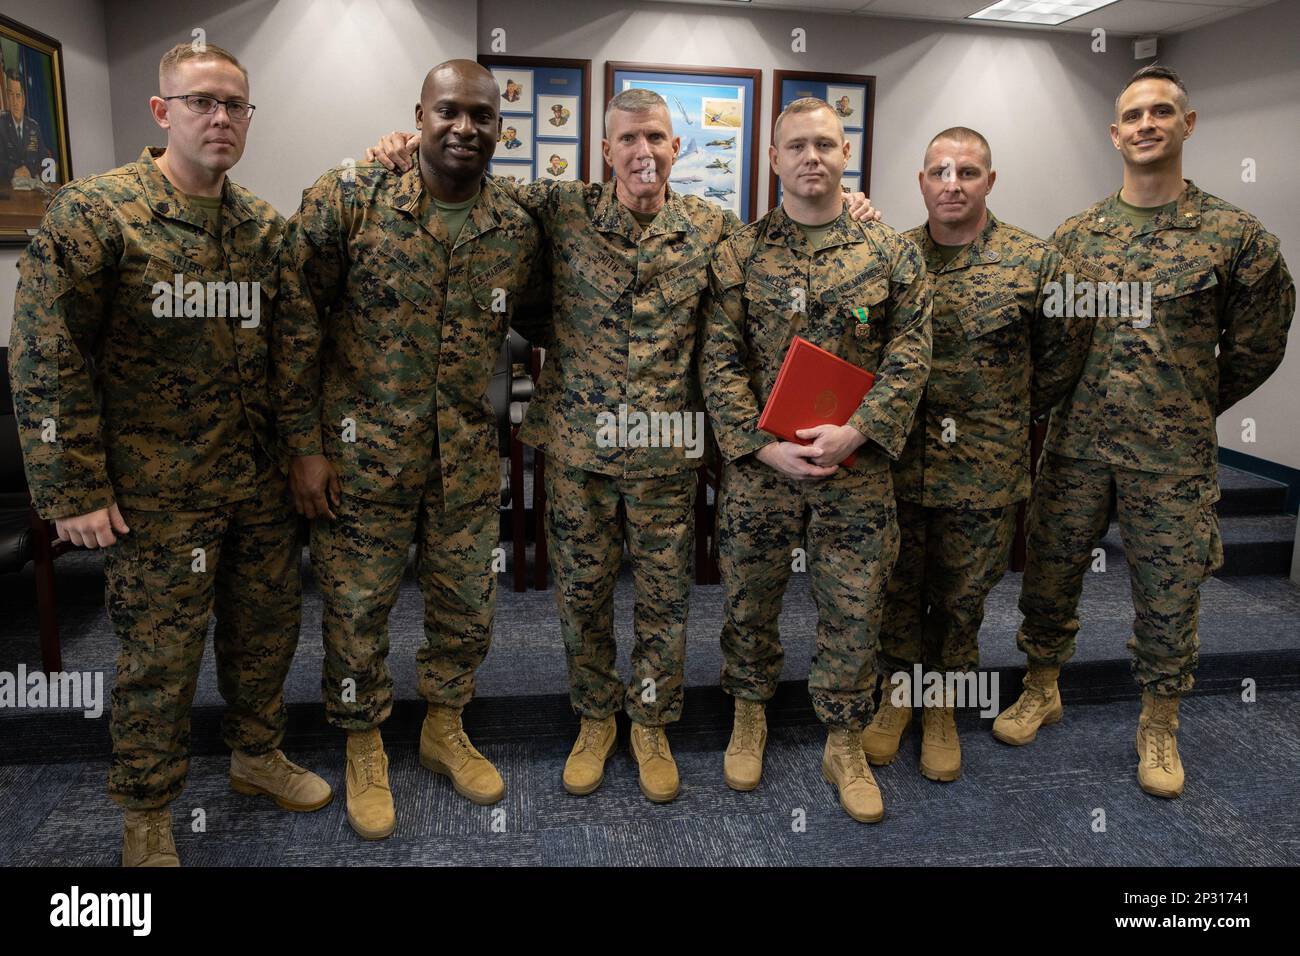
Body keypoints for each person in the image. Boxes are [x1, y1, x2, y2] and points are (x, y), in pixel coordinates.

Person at [364, 91, 880, 804]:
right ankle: (594, 718)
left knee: (665, 601)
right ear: (606, 151)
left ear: (678, 148)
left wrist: (854, 208)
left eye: (658, 138)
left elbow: (784, 252)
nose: (644, 151)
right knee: (582, 596)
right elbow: (466, 172)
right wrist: (399, 147)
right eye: (629, 139)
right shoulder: (559, 209)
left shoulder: (713, 229)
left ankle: (650, 720)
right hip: (579, 451)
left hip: (668, 453)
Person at [8, 42, 329, 867]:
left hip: (255, 482)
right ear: (163, 113)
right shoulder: (95, 214)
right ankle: (147, 810)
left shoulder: (261, 228)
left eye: (234, 106)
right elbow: (46, 356)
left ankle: (257, 756)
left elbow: (293, 351)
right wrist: (71, 486)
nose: (219, 119)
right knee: (160, 658)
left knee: (266, 633)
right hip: (156, 493)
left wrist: (305, 454)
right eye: (200, 103)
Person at [993, 65, 1294, 799]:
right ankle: (1042, 686)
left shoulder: (1235, 239)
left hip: (1171, 457)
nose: (1147, 124)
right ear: (1115, 133)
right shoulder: (1076, 236)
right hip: (1076, 446)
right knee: (1051, 575)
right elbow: (1053, 341)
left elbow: (1259, 345)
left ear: (1188, 124)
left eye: (1163, 111)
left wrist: (1187, 403)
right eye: (1134, 115)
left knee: (1168, 594)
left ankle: (1159, 722)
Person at [274, 59, 545, 839]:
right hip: (361, 457)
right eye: (449, 112)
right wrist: (305, 447)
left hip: (462, 457)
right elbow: (296, 323)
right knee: (357, 611)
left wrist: (528, 419)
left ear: (502, 127)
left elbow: (535, 325)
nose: (465, 128)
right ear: (419, 116)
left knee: (466, 607)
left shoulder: (517, 224)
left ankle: (443, 727)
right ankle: (363, 744)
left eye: (482, 116)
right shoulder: (349, 199)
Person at [702, 97, 932, 823]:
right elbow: (718, 360)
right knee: (747, 601)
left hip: (854, 472)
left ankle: (844, 737)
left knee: (855, 609)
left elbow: (911, 355)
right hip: (759, 473)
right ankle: (749, 715)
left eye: (826, 145)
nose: (812, 157)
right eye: (797, 146)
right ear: (772, 159)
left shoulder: (890, 253)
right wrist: (760, 444)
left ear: (845, 155)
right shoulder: (738, 253)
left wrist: (859, 431)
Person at [861, 127, 1092, 783]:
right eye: (939, 170)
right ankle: (898, 697)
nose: (952, 183)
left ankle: (941, 710)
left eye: (967, 171)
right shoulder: (891, 256)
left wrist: (1000, 414)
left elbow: (1060, 361)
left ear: (990, 180)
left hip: (984, 473)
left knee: (962, 602)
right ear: (921, 181)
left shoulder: (1035, 262)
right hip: (900, 463)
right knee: (897, 591)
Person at [1, 69, 52, 184]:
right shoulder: (1, 125)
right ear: (7, 98)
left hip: (32, 188)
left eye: (18, 96)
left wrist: (49, 183)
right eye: (11, 95)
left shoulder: (34, 127)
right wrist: (13, 170)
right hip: (8, 193)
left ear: (24, 99)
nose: (14, 102)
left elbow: (45, 160)